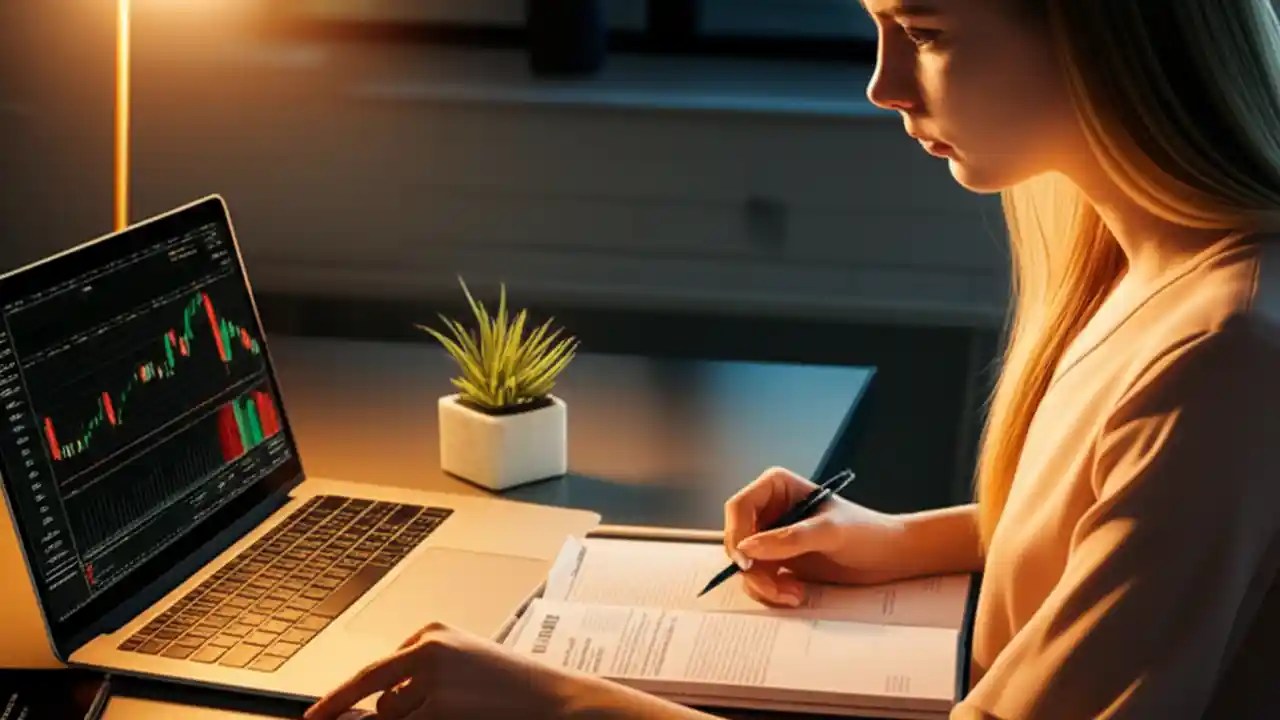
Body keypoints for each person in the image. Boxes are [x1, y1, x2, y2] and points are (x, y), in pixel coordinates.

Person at [304, 0, 1280, 718]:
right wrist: (905, 541)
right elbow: (1144, 514)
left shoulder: (1218, 358)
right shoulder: (1146, 266)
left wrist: (559, 703)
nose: (881, 85)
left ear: (1104, 36)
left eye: (925, 32)